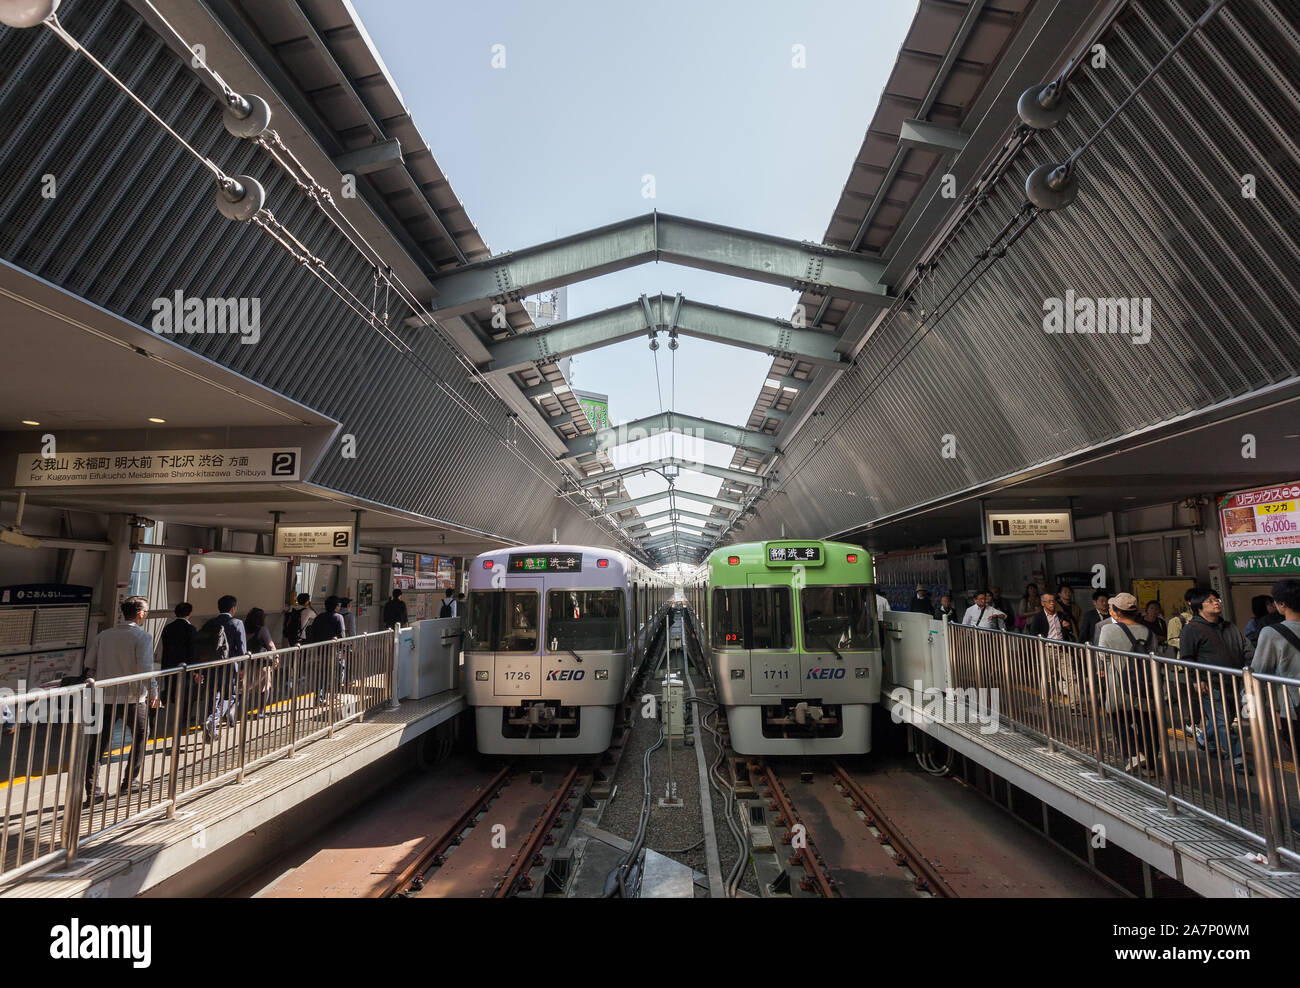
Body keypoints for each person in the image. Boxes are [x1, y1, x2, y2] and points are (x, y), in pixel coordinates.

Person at [83, 597, 157, 803]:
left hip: (105, 697)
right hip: (133, 699)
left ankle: (93, 792)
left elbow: (90, 664)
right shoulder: (142, 637)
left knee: (98, 744)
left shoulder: (104, 635)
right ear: (140, 613)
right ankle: (129, 781)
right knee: (142, 736)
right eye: (146, 612)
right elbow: (145, 668)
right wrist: (154, 691)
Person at [1179, 588, 1251, 774]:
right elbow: (1187, 657)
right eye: (1210, 600)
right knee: (1223, 722)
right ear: (1198, 607)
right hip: (1210, 683)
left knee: (1226, 718)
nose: (1216, 602)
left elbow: (1246, 648)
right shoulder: (1191, 629)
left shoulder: (1230, 626)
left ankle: (1205, 739)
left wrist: (1250, 670)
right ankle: (1236, 757)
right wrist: (1196, 679)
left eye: (1216, 599)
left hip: (1235, 681)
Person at [1097, 593, 1155, 775]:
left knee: (1118, 718)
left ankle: (1133, 754)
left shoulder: (1108, 630)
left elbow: (1102, 656)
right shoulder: (1148, 632)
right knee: (1147, 723)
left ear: (1116, 613)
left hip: (1119, 687)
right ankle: (1150, 765)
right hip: (1145, 687)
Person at [1251, 580, 1300, 752]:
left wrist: (1249, 703)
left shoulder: (1271, 633)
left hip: (1293, 709)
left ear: (1281, 604)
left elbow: (1258, 673)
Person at [200, 595, 247, 744]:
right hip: (229, 666)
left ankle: (211, 728)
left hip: (210, 666)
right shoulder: (237, 623)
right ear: (233, 608)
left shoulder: (210, 623)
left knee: (212, 695)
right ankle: (211, 721)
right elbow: (242, 648)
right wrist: (242, 668)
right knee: (230, 695)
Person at [1027, 591, 1080, 708]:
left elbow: (1069, 631)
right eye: (1049, 601)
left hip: (1062, 649)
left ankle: (1074, 705)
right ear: (1043, 603)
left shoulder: (1061, 615)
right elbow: (1033, 633)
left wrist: (1067, 626)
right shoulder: (1038, 617)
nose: (1052, 603)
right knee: (1048, 678)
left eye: (1053, 601)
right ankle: (1046, 702)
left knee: (1071, 676)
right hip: (1047, 649)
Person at [159, 601, 197, 726]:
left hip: (169, 665)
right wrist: (194, 670)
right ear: (189, 614)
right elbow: (192, 651)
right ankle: (184, 718)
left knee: (169, 689)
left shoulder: (167, 628)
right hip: (185, 666)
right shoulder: (190, 629)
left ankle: (155, 713)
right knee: (187, 693)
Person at [244, 607, 277, 718]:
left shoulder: (244, 629)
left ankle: (233, 711)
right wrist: (276, 657)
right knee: (265, 687)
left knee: (244, 688)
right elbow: (270, 645)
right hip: (261, 663)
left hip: (246, 663)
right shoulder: (262, 630)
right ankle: (261, 712)